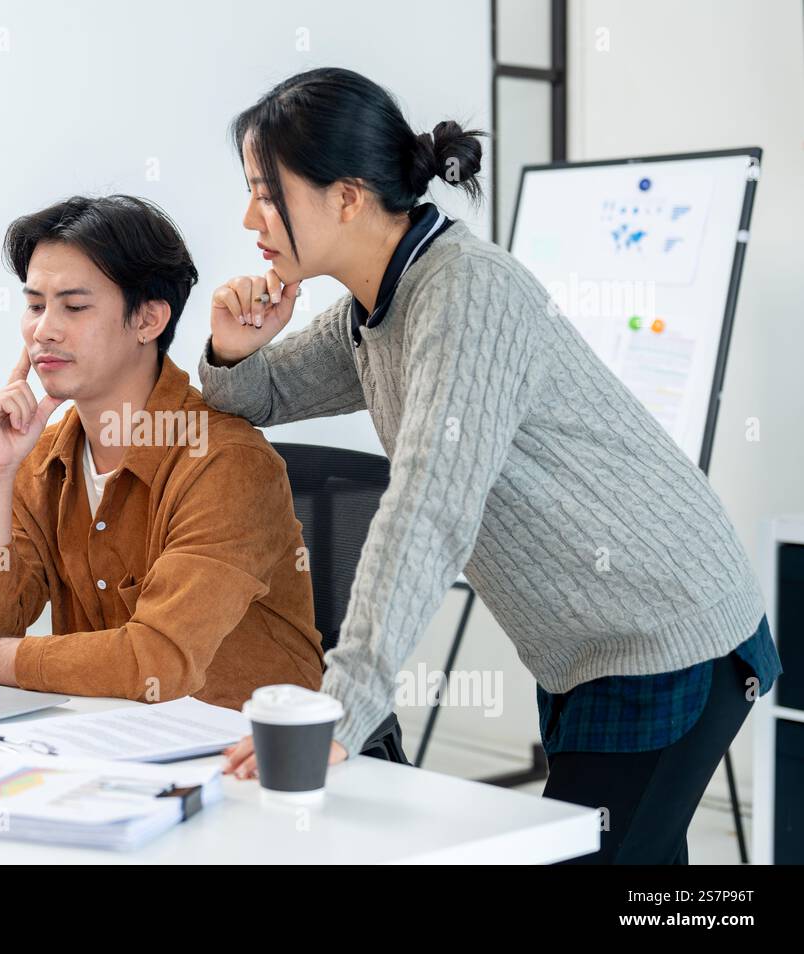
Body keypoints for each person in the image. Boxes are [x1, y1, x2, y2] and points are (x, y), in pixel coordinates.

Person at [202, 67, 781, 863]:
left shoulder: (465, 294)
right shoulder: (379, 309)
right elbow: (263, 393)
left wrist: (346, 702)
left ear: (345, 196)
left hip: (668, 634)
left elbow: (426, 512)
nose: (249, 217)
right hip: (592, 654)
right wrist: (232, 351)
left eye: (267, 193)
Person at [0, 194, 323, 709]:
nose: (44, 330)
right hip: (106, 750)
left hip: (247, 763)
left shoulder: (226, 462)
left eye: (74, 307)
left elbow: (156, 661)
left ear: (148, 321)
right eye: (35, 305)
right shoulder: (44, 456)